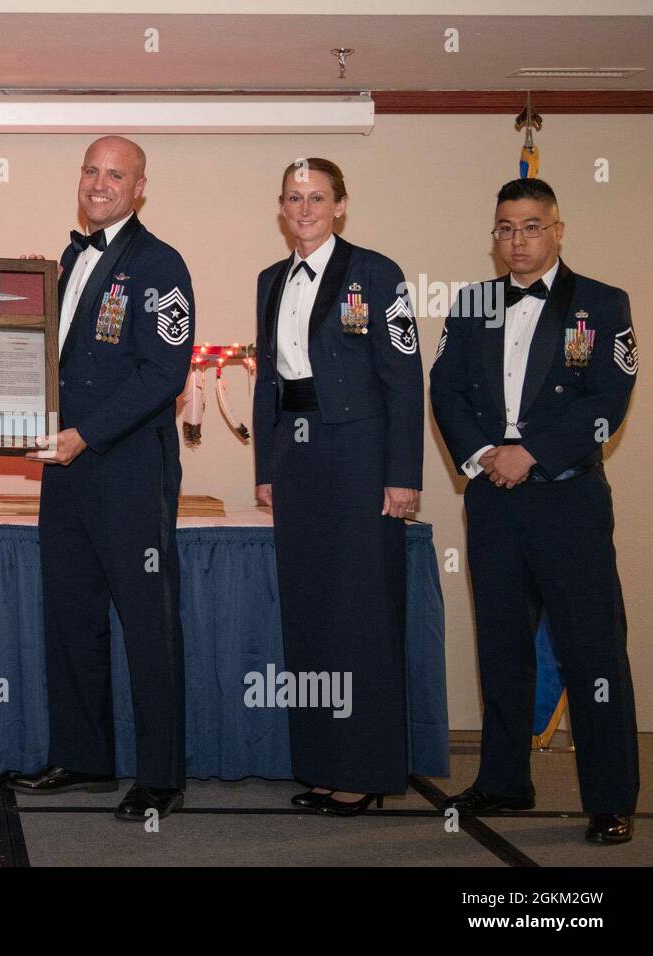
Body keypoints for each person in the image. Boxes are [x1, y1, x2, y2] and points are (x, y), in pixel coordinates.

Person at [430, 178, 638, 845]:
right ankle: (503, 780)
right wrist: (485, 454)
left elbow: (608, 397)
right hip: (493, 497)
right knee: (501, 645)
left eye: (530, 227)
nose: (516, 241)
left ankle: (610, 799)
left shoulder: (602, 302)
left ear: (558, 229)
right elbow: (445, 388)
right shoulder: (474, 303)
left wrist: (531, 454)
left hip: (568, 498)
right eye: (505, 228)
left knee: (593, 651)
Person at [10, 135, 194, 821]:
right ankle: (83, 757)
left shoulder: (160, 264)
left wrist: (85, 435)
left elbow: (163, 373)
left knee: (148, 624)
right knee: (71, 614)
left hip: (128, 471)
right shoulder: (66, 262)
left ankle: (161, 777)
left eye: (116, 175)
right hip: (66, 470)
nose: (99, 183)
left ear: (140, 189)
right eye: (91, 170)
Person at [251, 158, 423, 815]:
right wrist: (266, 468)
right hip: (296, 456)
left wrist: (402, 475)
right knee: (310, 610)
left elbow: (404, 378)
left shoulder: (376, 273)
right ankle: (323, 764)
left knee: (360, 611)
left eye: (317, 198)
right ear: (281, 206)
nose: (305, 210)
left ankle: (365, 771)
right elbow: (269, 380)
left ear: (340, 205)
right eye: (294, 198)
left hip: (359, 453)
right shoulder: (270, 279)